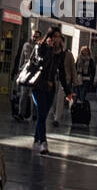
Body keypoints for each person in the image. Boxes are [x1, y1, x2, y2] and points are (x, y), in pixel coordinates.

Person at [22, 26, 73, 154]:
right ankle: (43, 142)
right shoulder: (41, 48)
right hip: (38, 85)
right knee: (41, 113)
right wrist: (49, 49)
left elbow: (61, 73)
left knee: (43, 115)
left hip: (50, 88)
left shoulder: (61, 53)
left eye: (58, 37)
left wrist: (67, 92)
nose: (56, 39)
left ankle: (36, 138)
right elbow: (42, 65)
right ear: (49, 37)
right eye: (54, 36)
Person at [48, 34, 76, 127]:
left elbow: (72, 68)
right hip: (53, 79)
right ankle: (52, 113)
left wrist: (75, 81)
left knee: (60, 99)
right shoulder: (52, 52)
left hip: (64, 80)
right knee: (53, 98)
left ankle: (57, 118)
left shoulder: (68, 54)